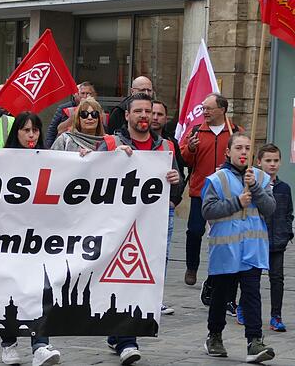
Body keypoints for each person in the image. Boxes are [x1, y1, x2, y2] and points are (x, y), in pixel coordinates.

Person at [96, 93, 182, 365]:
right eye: (139, 111)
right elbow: (91, 177)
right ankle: (127, 340)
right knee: (123, 278)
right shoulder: (111, 143)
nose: (144, 116)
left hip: (153, 224)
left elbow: (176, 186)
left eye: (149, 111)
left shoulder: (166, 146)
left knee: (145, 278)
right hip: (116, 224)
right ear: (128, 115)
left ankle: (118, 333)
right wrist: (111, 160)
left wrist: (175, 180)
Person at [201, 133, 275, 363]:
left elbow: (270, 209)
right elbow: (208, 210)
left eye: (247, 148)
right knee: (222, 296)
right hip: (226, 250)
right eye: (239, 148)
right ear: (228, 152)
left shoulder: (261, 178)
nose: (243, 152)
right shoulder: (216, 179)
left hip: (252, 249)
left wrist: (256, 189)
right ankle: (214, 335)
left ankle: (254, 341)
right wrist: (236, 203)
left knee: (252, 294)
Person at [0, 112, 60, 366]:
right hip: (7, 239)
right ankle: (9, 343)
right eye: (26, 130)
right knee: (8, 291)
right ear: (16, 133)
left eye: (35, 130)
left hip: (38, 240)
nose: (31, 135)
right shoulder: (2, 159)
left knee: (41, 290)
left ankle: (40, 345)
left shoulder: (50, 160)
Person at [180, 93, 242, 289]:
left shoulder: (235, 131)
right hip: (201, 190)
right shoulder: (196, 131)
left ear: (222, 110)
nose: (204, 112)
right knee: (195, 231)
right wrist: (190, 148)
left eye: (209, 108)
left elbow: (244, 157)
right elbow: (184, 159)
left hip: (227, 192)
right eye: (203, 108)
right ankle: (191, 267)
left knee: (222, 235)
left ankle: (219, 273)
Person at [149, 99, 185, 316]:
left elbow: (180, 175)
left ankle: (156, 298)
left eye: (159, 114)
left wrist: (175, 198)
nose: (153, 117)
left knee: (161, 254)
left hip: (163, 209)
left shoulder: (169, 144)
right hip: (135, 211)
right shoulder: (123, 142)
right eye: (149, 113)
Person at [255, 144, 292, 332]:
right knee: (250, 278)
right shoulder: (254, 185)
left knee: (277, 278)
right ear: (259, 162)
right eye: (268, 161)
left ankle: (276, 315)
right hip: (256, 240)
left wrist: (286, 232)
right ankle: (245, 309)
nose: (272, 164)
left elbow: (288, 213)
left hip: (277, 241)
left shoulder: (284, 188)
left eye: (275, 160)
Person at [45, 82, 96, 148]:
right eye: (82, 93)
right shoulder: (63, 108)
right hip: (66, 144)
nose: (85, 96)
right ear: (75, 94)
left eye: (88, 93)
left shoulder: (96, 109)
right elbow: (53, 130)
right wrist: (47, 149)